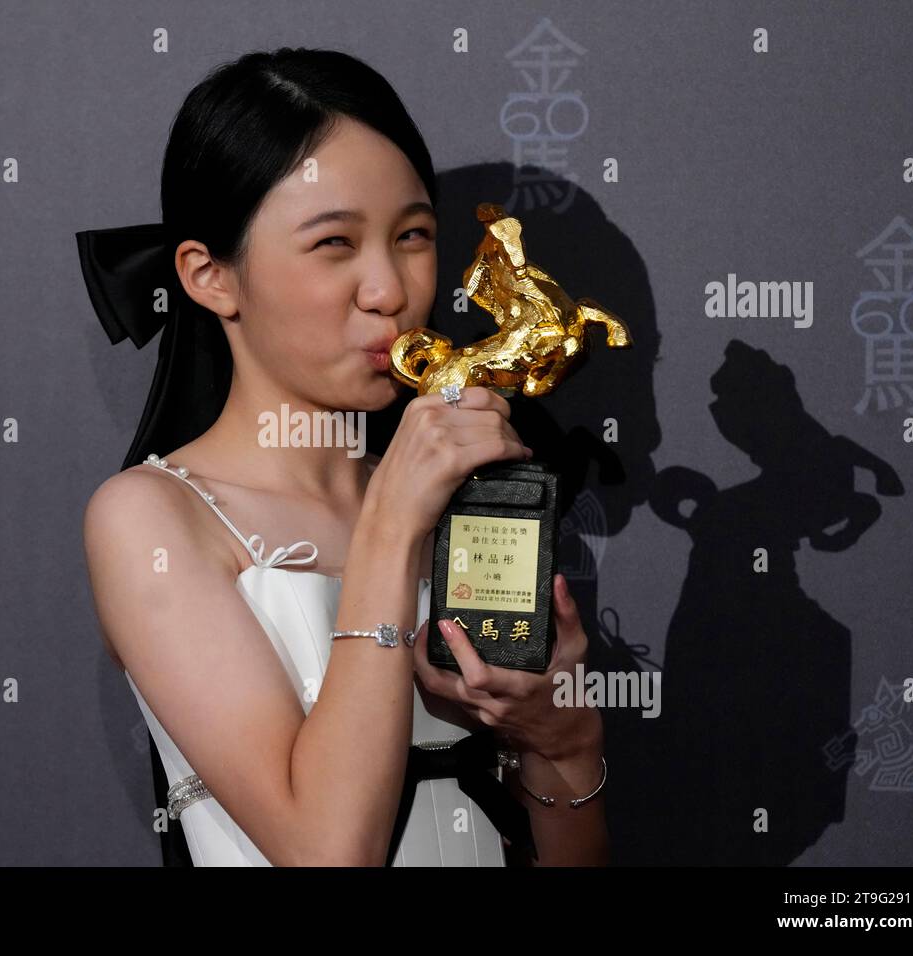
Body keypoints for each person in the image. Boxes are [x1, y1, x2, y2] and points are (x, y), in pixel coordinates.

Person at [79, 47, 608, 866]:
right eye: (334, 244)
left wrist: (561, 742)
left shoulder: (470, 501)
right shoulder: (149, 518)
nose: (389, 290)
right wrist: (393, 524)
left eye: (412, 235)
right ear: (210, 276)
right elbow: (328, 853)